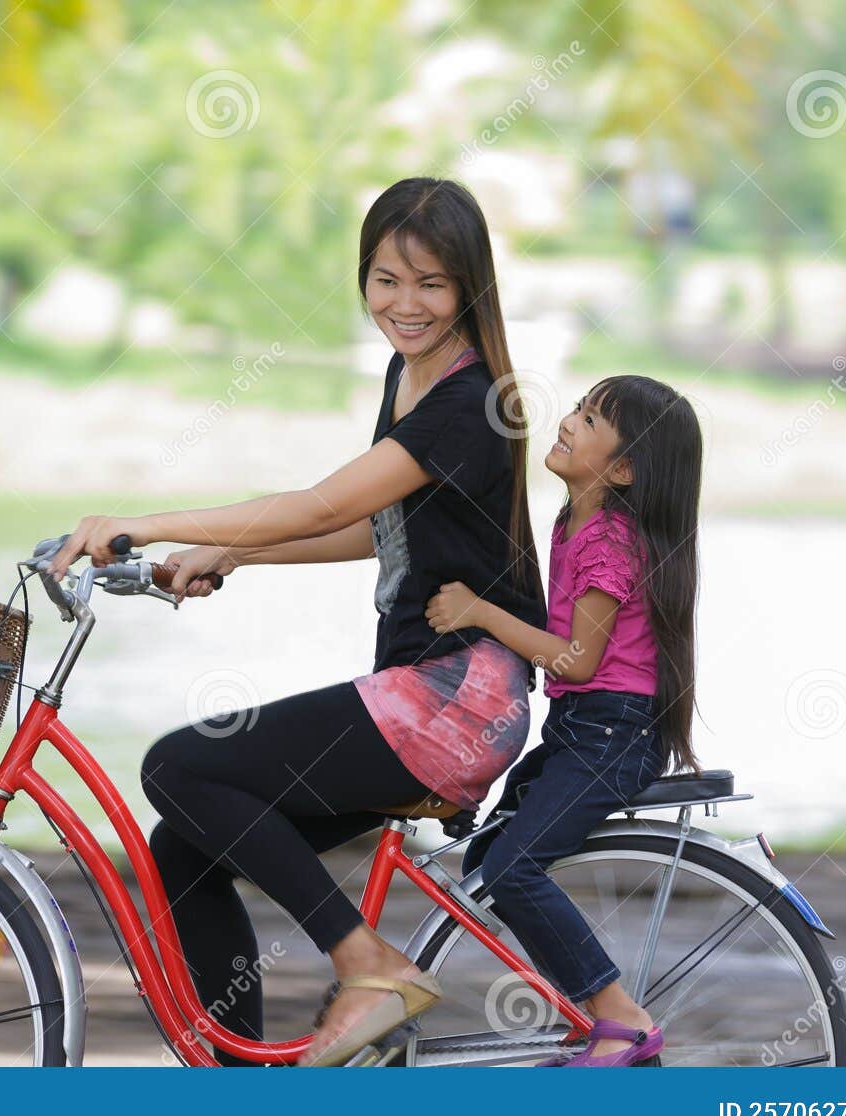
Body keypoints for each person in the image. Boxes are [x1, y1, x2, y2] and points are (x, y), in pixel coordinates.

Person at [47, 176, 547, 1066]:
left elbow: (318, 504)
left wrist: (148, 521)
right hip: (427, 694)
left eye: (431, 283)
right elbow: (371, 525)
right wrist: (237, 553)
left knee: (175, 764)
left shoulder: (469, 402)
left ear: (469, 285)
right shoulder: (411, 374)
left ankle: (369, 965)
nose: (405, 304)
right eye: (386, 279)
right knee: (186, 839)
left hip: (457, 698)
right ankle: (244, 1084)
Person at [423, 374, 704, 1067]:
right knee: (489, 859)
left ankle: (621, 1021)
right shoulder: (571, 520)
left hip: (613, 732)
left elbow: (577, 659)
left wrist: (480, 613)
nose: (571, 420)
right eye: (577, 407)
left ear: (624, 468)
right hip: (581, 728)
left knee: (515, 868)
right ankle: (593, 1015)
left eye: (591, 418)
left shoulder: (610, 538)